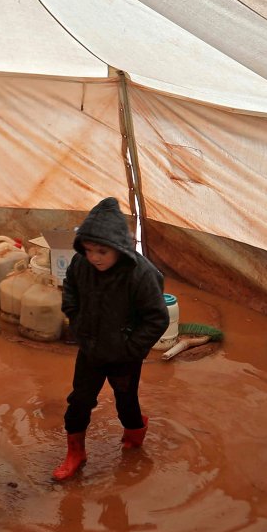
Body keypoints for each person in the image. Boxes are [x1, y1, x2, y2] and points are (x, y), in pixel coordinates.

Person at [52, 197, 170, 481]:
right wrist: (77, 322)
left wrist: (131, 349)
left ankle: (134, 435)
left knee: (126, 402)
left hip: (124, 356)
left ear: (119, 248)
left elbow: (157, 318)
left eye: (102, 251)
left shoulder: (140, 274)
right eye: (89, 250)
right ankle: (75, 453)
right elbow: (70, 289)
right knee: (79, 402)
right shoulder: (81, 264)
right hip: (91, 349)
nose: (94, 257)